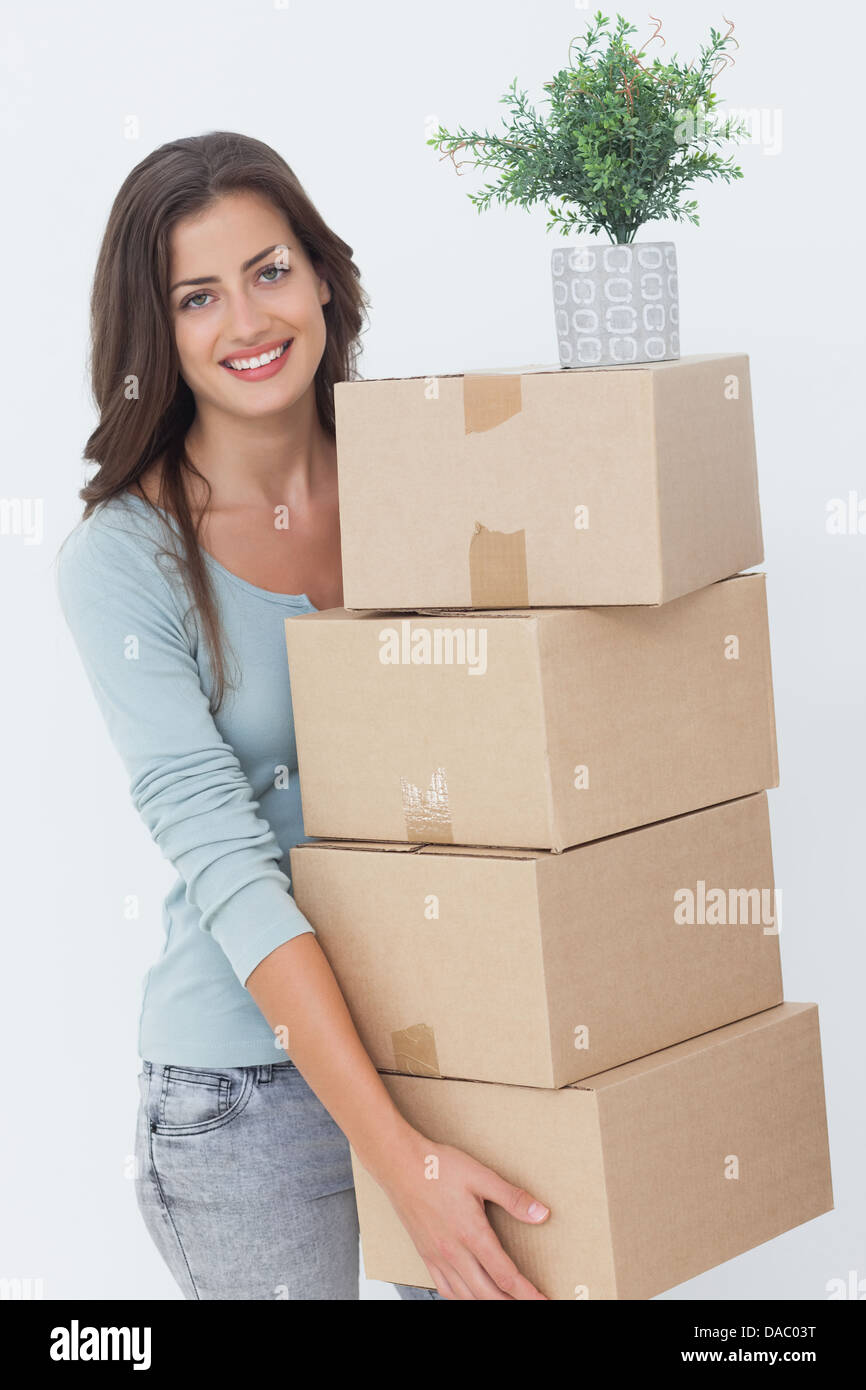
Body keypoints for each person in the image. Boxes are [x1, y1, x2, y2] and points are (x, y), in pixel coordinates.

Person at [54, 131, 551, 1301]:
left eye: (269, 270)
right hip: (249, 1091)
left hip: (459, 1044)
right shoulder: (122, 560)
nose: (246, 320)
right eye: (196, 296)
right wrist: (398, 1158)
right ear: (157, 332)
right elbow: (226, 863)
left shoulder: (424, 473)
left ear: (322, 274)